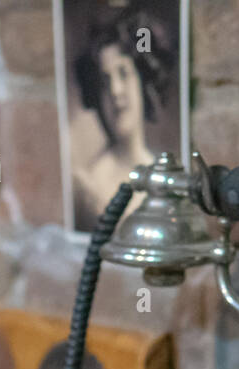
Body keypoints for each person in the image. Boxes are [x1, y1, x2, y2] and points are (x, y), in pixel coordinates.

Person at [71, 7, 175, 230]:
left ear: (142, 82)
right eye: (105, 81)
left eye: (124, 74)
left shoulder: (163, 171)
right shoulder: (91, 184)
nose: (116, 91)